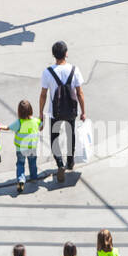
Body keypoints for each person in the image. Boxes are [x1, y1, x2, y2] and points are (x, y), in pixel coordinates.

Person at [38, 40, 85, 184]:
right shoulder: (74, 70)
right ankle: (70, 162)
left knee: (54, 138)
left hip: (55, 111)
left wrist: (41, 113)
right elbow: (80, 93)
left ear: (53, 55)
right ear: (66, 54)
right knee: (71, 135)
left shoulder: (48, 72)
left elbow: (43, 94)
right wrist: (83, 111)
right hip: (71, 110)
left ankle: (60, 164)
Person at [10, 100, 41, 194]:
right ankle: (34, 178)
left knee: (20, 164)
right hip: (32, 148)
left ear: (19, 112)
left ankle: (21, 180)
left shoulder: (19, 122)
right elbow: (41, 126)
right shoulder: (36, 121)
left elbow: (9, 128)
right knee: (32, 163)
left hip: (20, 149)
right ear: (31, 110)